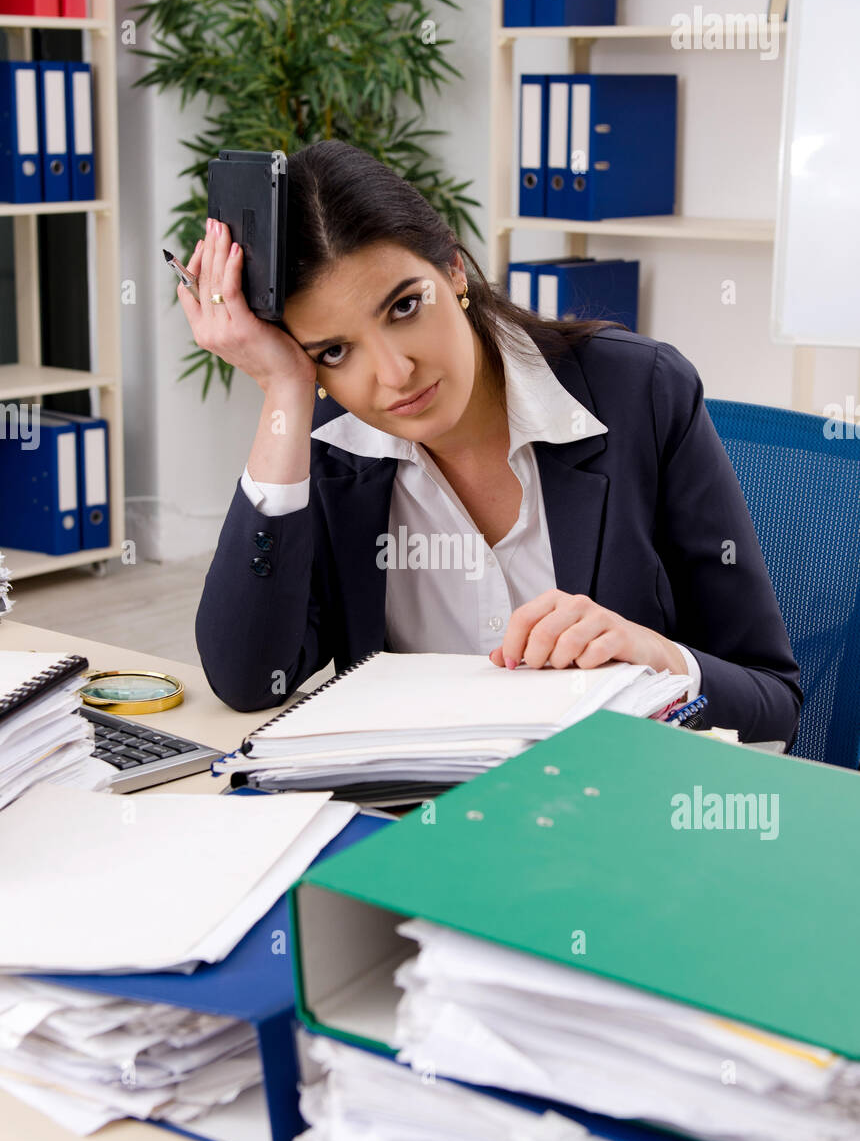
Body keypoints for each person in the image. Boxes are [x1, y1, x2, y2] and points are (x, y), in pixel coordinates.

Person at [183, 140, 801, 745]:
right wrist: (285, 391)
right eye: (335, 352)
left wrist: (654, 656)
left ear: (454, 268)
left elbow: (773, 703)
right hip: (418, 821)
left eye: (403, 307)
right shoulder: (325, 447)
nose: (395, 374)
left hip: (614, 813)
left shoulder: (641, 392)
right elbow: (249, 678)